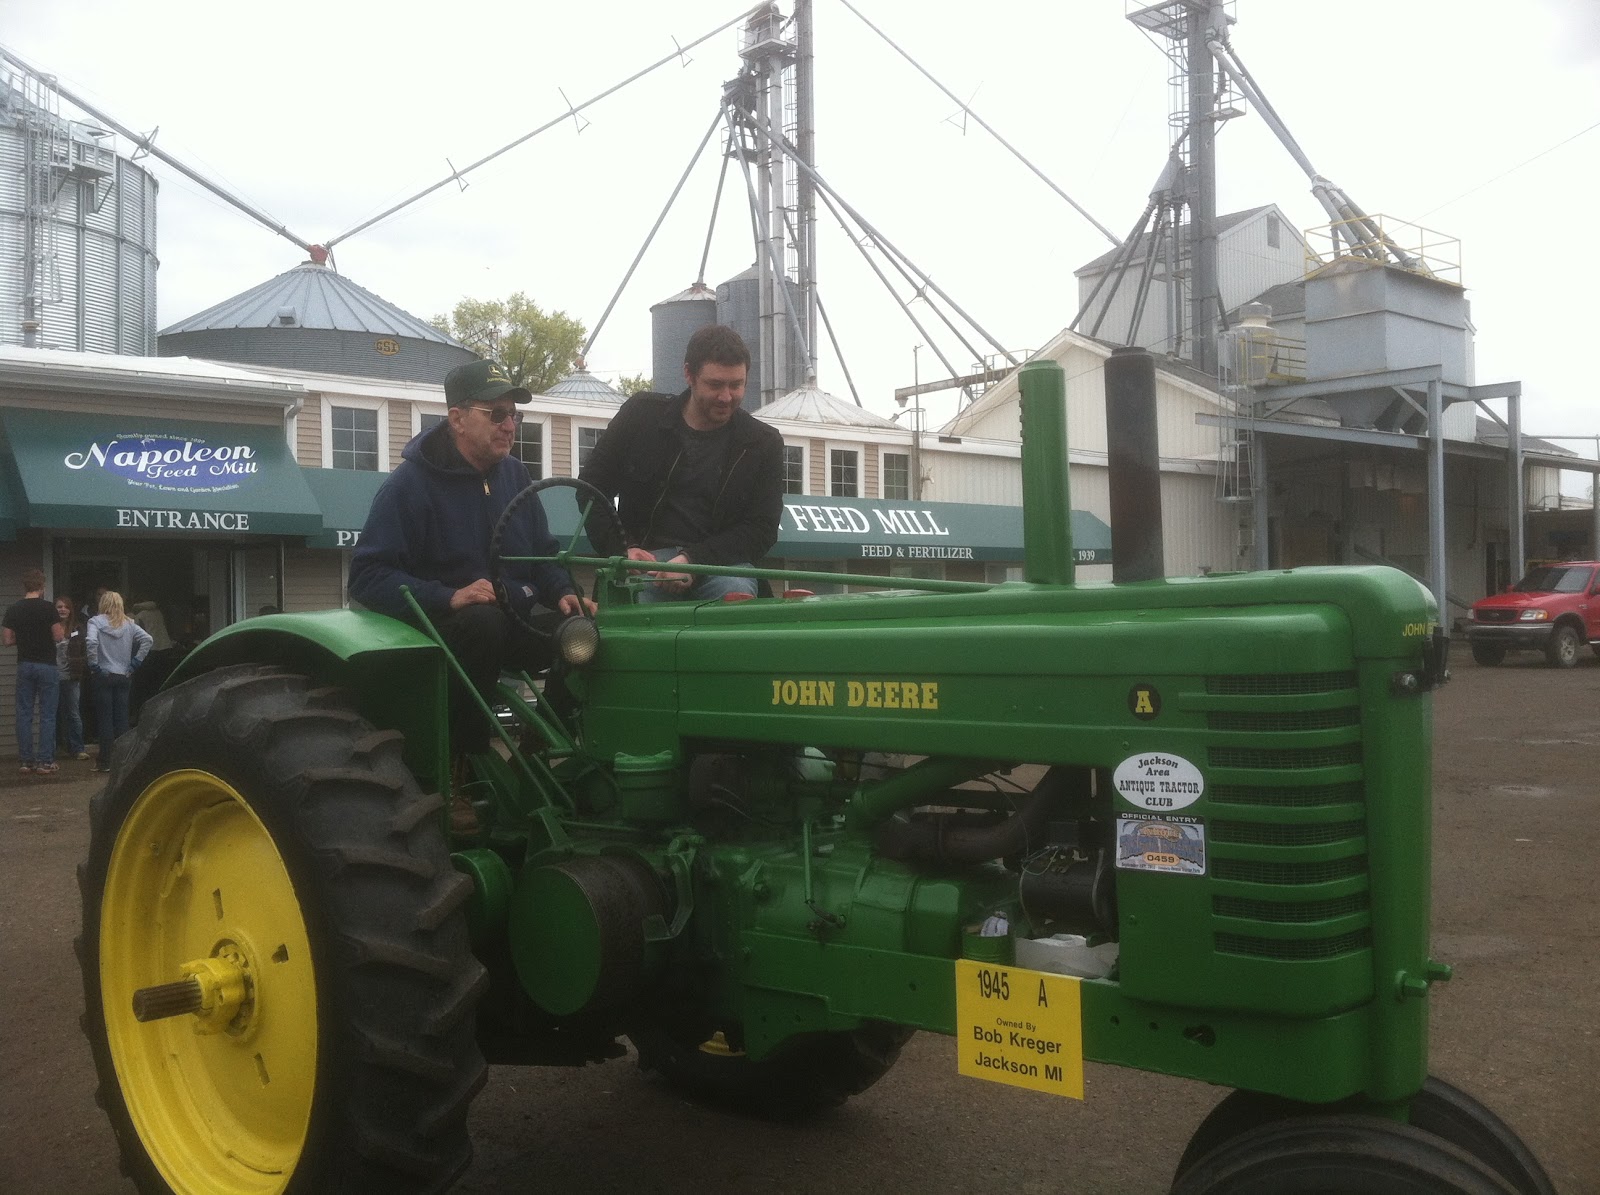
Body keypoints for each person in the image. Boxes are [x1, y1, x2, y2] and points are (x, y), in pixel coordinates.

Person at [348, 358, 594, 758]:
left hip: (510, 620)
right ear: (457, 419)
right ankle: (466, 770)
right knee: (483, 623)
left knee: (584, 630)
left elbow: (543, 556)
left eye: (514, 415)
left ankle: (538, 758)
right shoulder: (408, 486)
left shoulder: (516, 477)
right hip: (441, 630)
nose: (510, 426)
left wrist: (564, 591)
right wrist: (448, 596)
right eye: (496, 414)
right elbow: (366, 577)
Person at [579, 324, 783, 601]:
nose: (726, 396)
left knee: (735, 596)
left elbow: (762, 529)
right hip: (645, 562)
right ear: (689, 374)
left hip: (722, 564)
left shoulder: (763, 443)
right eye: (715, 384)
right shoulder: (641, 416)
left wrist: (692, 560)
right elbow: (591, 488)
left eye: (736, 385)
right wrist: (621, 549)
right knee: (637, 610)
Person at [3, 568, 64, 775]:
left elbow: (8, 640)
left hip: (25, 665)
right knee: (47, 714)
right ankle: (45, 761)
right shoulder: (48, 608)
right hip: (47, 665)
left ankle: (26, 761)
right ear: (42, 586)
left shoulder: (14, 609)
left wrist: (26, 636)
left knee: (24, 713)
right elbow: (58, 636)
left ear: (24, 586)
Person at [86, 590, 153, 773]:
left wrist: (94, 665)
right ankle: (123, 761)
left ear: (103, 604)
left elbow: (91, 642)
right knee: (122, 719)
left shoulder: (95, 622)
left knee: (105, 719)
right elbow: (148, 640)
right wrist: (135, 663)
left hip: (103, 675)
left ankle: (105, 762)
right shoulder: (129, 624)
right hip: (124, 675)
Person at [54, 596, 89, 762]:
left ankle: (78, 748)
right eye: (59, 606)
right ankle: (54, 749)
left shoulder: (77, 628)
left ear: (70, 610)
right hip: (53, 676)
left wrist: (80, 666)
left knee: (73, 713)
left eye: (65, 607)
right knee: (52, 713)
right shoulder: (50, 628)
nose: (62, 609)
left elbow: (84, 650)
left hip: (72, 677)